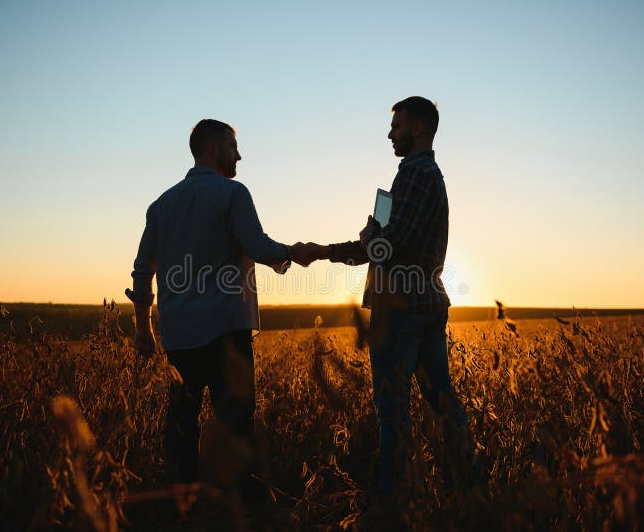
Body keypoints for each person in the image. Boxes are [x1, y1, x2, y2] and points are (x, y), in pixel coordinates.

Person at [127, 119, 311, 505]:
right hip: (228, 331)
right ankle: (246, 507)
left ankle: (185, 504)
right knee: (238, 422)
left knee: (181, 424)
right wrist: (291, 254)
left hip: (180, 338)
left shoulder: (161, 205)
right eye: (233, 146)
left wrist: (143, 329)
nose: (238, 155)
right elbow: (257, 246)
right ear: (212, 148)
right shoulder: (232, 193)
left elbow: (143, 270)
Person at [300, 97, 472, 495]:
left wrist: (367, 236)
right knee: (442, 399)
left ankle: (393, 499)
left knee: (392, 409)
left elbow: (387, 245)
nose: (389, 133)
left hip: (401, 309)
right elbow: (387, 244)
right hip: (428, 304)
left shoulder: (414, 174)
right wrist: (327, 250)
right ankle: (471, 482)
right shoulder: (424, 176)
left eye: (396, 126)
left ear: (417, 128)